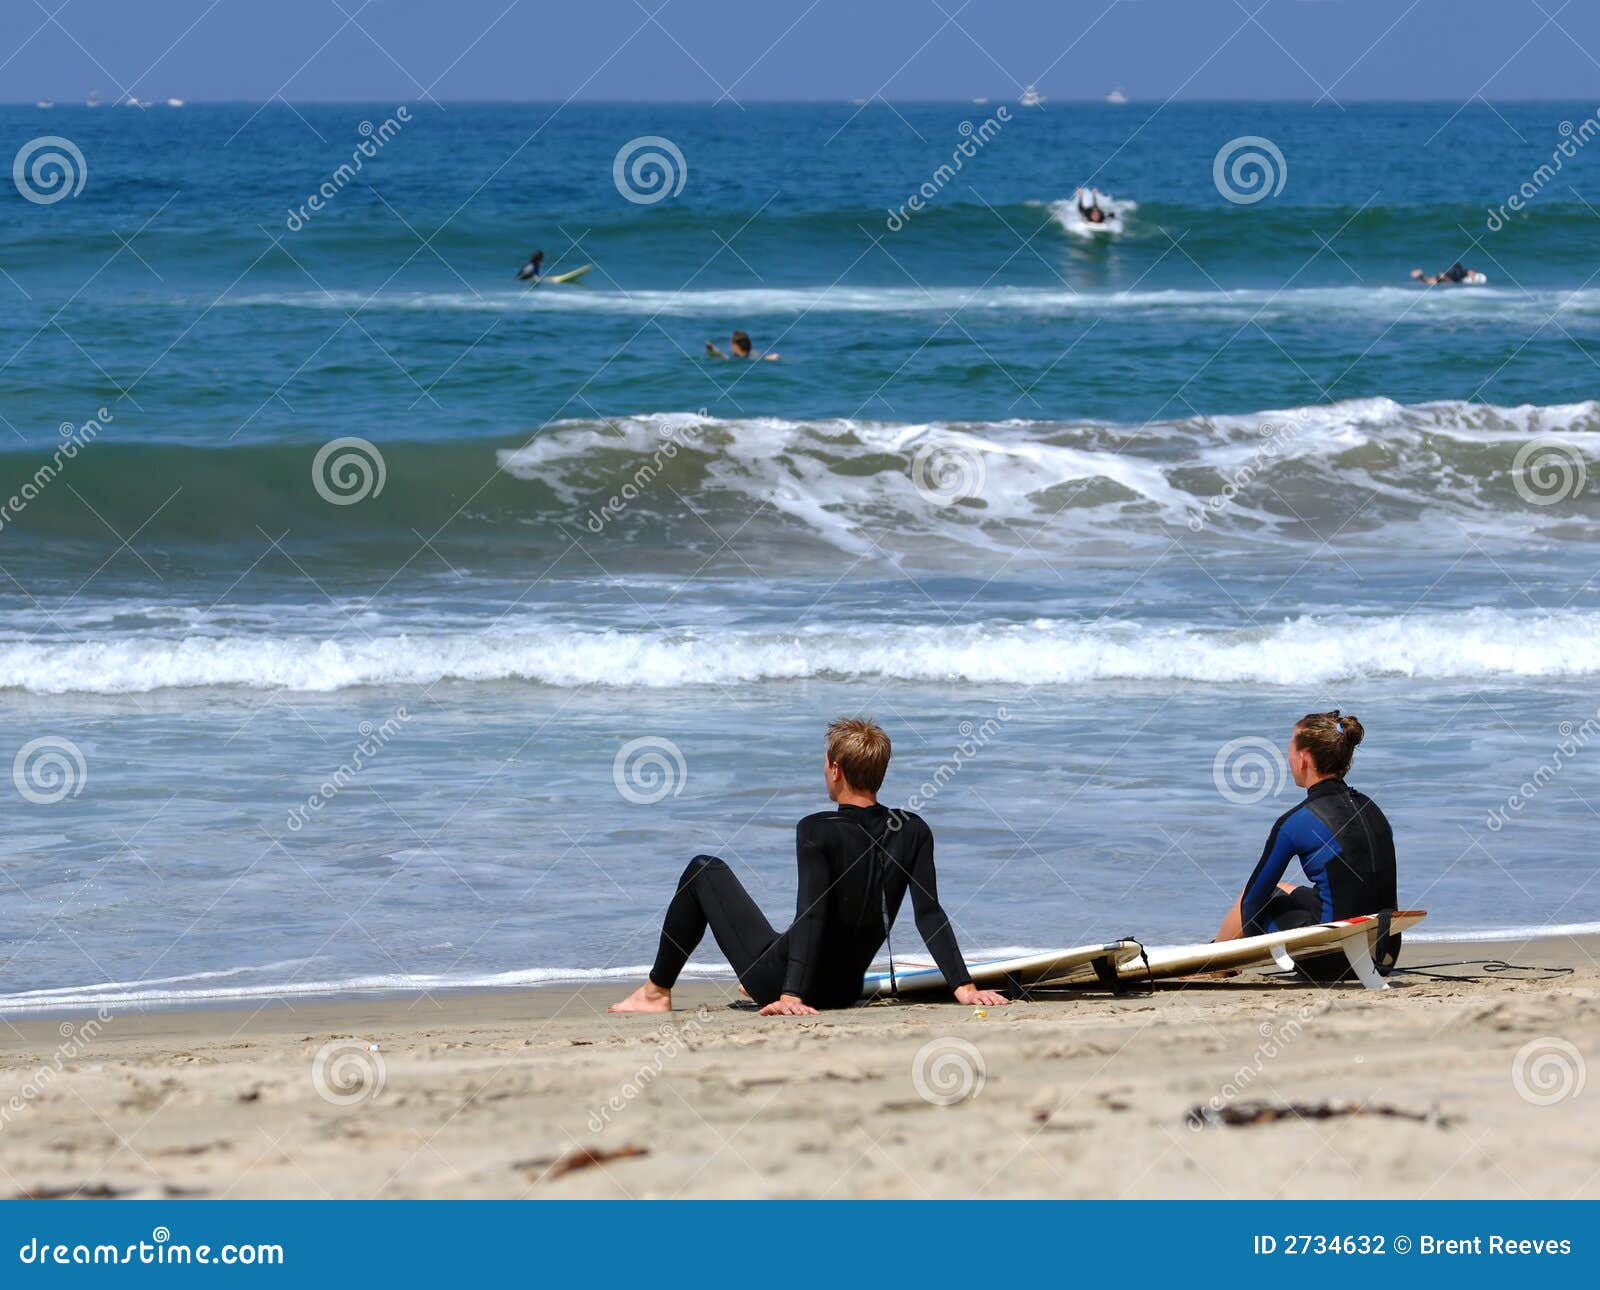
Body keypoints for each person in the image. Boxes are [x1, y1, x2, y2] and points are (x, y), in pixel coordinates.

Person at [609, 717, 1009, 1016]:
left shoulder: (817, 829)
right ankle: (746, 987)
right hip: (844, 989)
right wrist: (964, 986)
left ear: (835, 770)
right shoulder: (914, 830)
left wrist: (790, 995)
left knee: (703, 869)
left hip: (786, 982)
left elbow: (812, 912)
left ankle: (655, 992)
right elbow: (929, 914)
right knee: (780, 935)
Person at [1214, 711, 1400, 961]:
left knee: (1252, 899)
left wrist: (1244, 941)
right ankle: (1215, 951)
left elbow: (1251, 903)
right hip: (1383, 949)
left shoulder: (1295, 823)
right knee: (1283, 888)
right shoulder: (1371, 808)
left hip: (1330, 958)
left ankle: (1211, 963)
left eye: (1289, 749)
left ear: (1303, 758)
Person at [705, 330, 779, 361]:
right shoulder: (737, 356)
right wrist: (715, 351)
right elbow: (726, 357)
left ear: (736, 346)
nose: (731, 347)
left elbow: (774, 356)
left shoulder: (754, 355)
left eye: (732, 344)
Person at [1410, 262, 1476, 285]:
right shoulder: (1462, 272)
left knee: (1432, 280)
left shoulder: (1460, 272)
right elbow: (1471, 272)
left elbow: (1470, 272)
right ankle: (1421, 276)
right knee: (1434, 280)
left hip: (1445, 276)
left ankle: (1421, 276)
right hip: (1446, 277)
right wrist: (1473, 281)